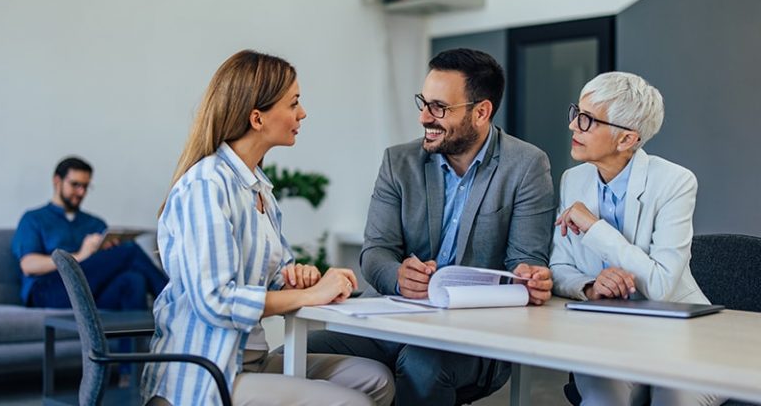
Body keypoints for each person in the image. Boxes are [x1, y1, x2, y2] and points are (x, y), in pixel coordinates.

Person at [140, 50, 394, 406]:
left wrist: (300, 278)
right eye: (294, 104)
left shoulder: (258, 188)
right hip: (207, 372)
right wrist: (308, 296)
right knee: (351, 403)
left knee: (376, 380)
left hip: (250, 360)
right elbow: (214, 301)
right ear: (257, 118)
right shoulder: (206, 185)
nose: (302, 113)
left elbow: (275, 276)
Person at [306, 48, 556, 405]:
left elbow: (525, 261)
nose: (424, 117)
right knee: (299, 352)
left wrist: (530, 276)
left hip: (475, 334)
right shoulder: (399, 161)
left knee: (421, 365)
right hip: (392, 322)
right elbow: (377, 251)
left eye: (439, 107)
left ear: (481, 112)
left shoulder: (527, 166)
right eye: (423, 102)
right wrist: (398, 276)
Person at [550, 71, 723, 406]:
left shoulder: (675, 182)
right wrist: (590, 285)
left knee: (671, 400)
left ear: (626, 140)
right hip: (605, 335)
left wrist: (594, 227)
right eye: (576, 114)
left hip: (679, 338)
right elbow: (558, 266)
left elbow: (659, 286)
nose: (573, 126)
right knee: (603, 399)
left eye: (587, 120)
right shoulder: (573, 179)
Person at [11, 156, 167, 310]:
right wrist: (80, 256)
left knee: (134, 280)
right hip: (48, 291)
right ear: (57, 181)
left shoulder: (95, 223)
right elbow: (28, 265)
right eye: (75, 185)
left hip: (89, 291)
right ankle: (174, 301)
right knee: (130, 251)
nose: (81, 192)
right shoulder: (33, 219)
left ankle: (139, 335)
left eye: (85, 186)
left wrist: (110, 250)